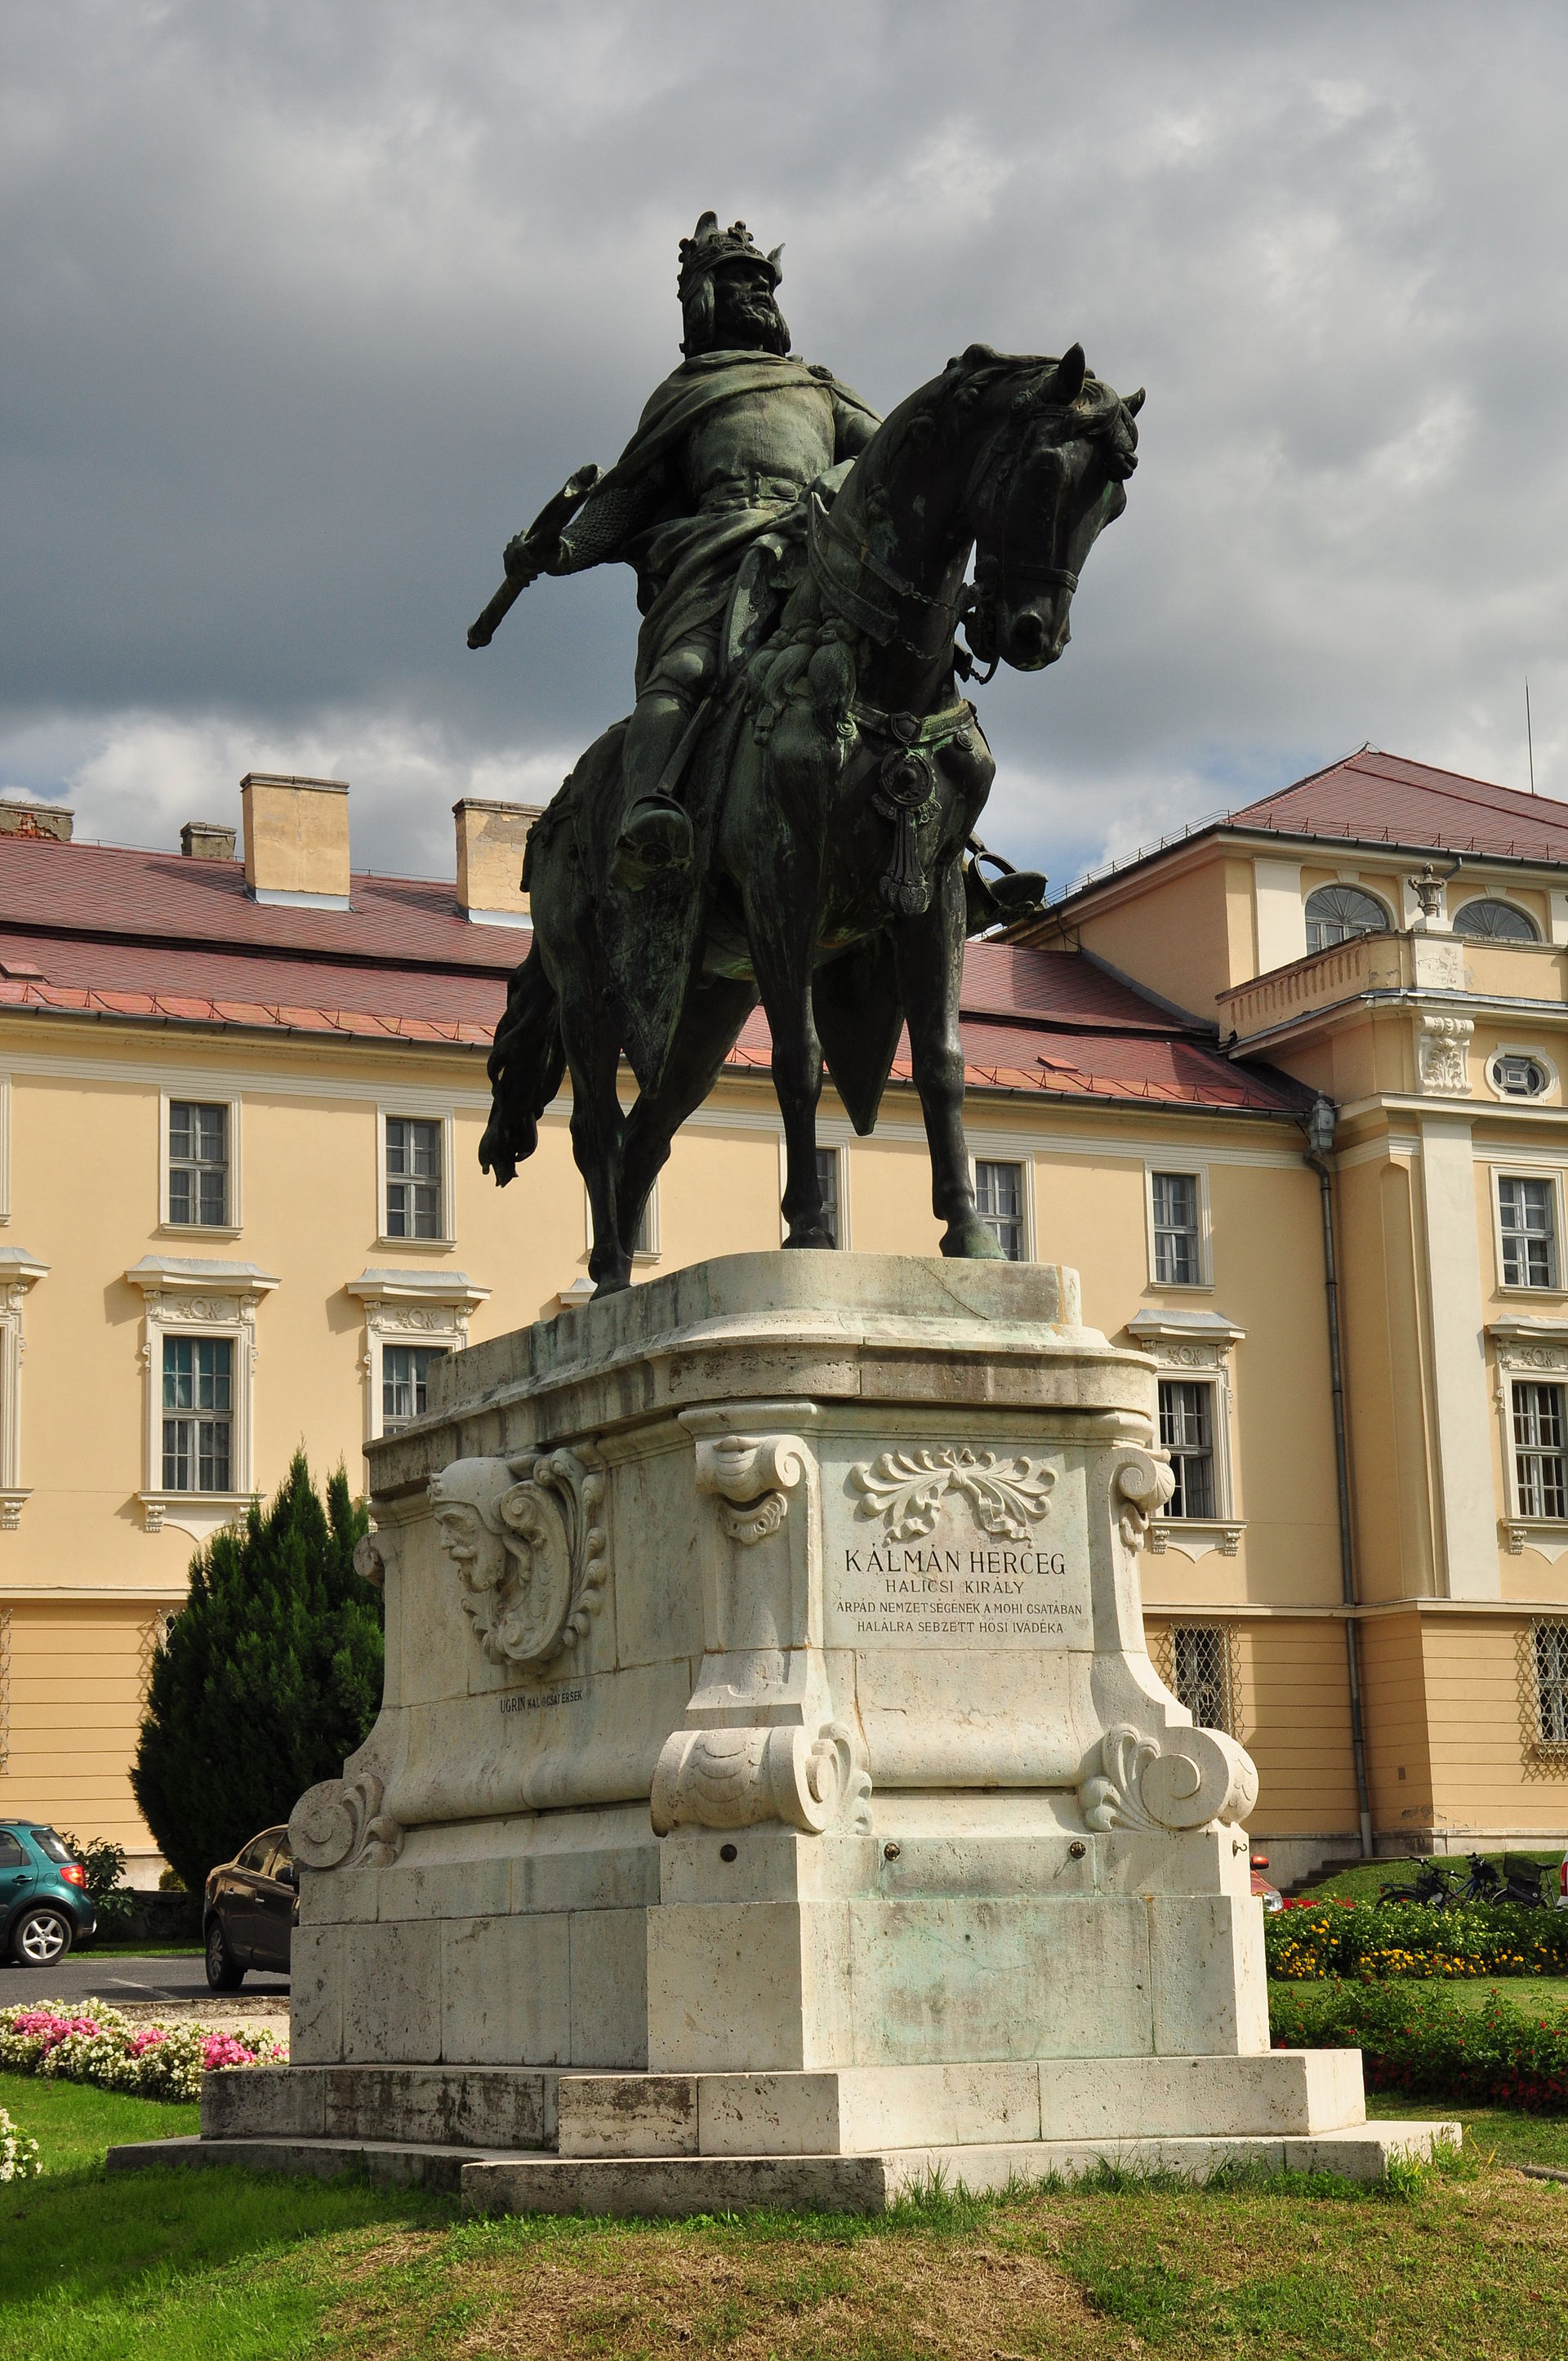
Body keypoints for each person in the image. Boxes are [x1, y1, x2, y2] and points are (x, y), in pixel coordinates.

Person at [507, 214, 880, 888]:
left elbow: (891, 461)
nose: (760, 296)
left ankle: (943, 846)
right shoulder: (685, 393)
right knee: (684, 670)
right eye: (741, 284)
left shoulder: (820, 389)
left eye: (766, 284)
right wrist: (556, 551)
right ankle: (648, 814)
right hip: (719, 558)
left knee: (905, 668)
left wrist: (838, 481)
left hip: (818, 549)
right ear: (706, 300)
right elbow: (628, 500)